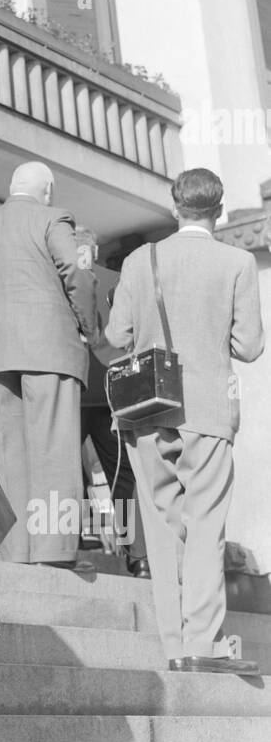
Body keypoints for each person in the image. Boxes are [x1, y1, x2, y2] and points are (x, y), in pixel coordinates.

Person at [105, 168, 264, 674]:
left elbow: (116, 335)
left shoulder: (140, 259)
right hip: (206, 410)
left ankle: (175, 645)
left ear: (175, 207)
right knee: (205, 523)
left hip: (146, 409)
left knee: (163, 526)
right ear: (217, 211)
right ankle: (204, 641)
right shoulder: (237, 261)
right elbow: (250, 347)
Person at [0, 162, 98, 566]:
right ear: (48, 190)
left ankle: (12, 555)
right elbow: (75, 269)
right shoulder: (53, 218)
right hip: (50, 350)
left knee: (5, 457)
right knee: (53, 451)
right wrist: (87, 325)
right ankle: (54, 553)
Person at [76, 226, 149, 578]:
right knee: (108, 476)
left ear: (91, 249)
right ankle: (126, 553)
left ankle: (136, 553)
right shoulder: (71, 279)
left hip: (101, 393)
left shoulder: (112, 281)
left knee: (122, 476)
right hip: (82, 392)